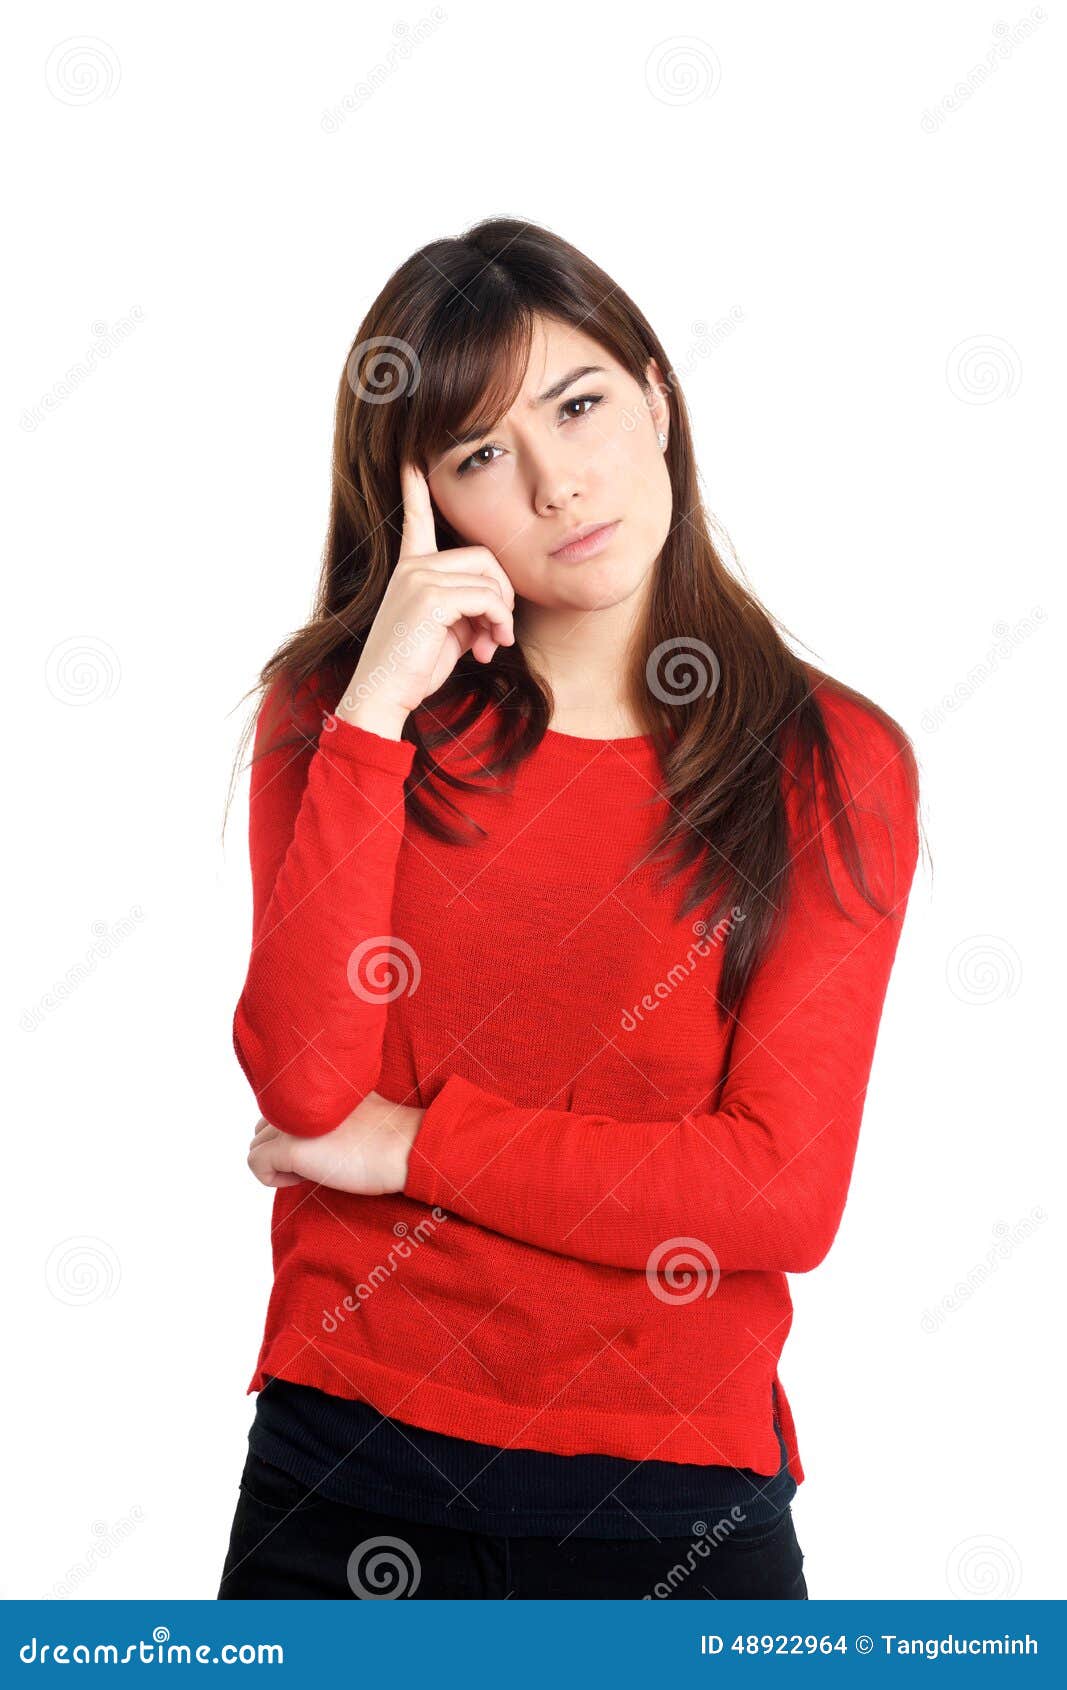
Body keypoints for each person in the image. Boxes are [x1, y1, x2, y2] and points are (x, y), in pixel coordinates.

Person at [217, 217, 923, 1600]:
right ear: (422, 500)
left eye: (580, 404)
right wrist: (374, 708)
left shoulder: (828, 760)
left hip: (674, 1505)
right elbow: (306, 1086)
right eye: (482, 454)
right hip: (349, 1465)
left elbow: (777, 1191)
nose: (554, 483)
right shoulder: (335, 717)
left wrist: (409, 1147)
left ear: (659, 397)